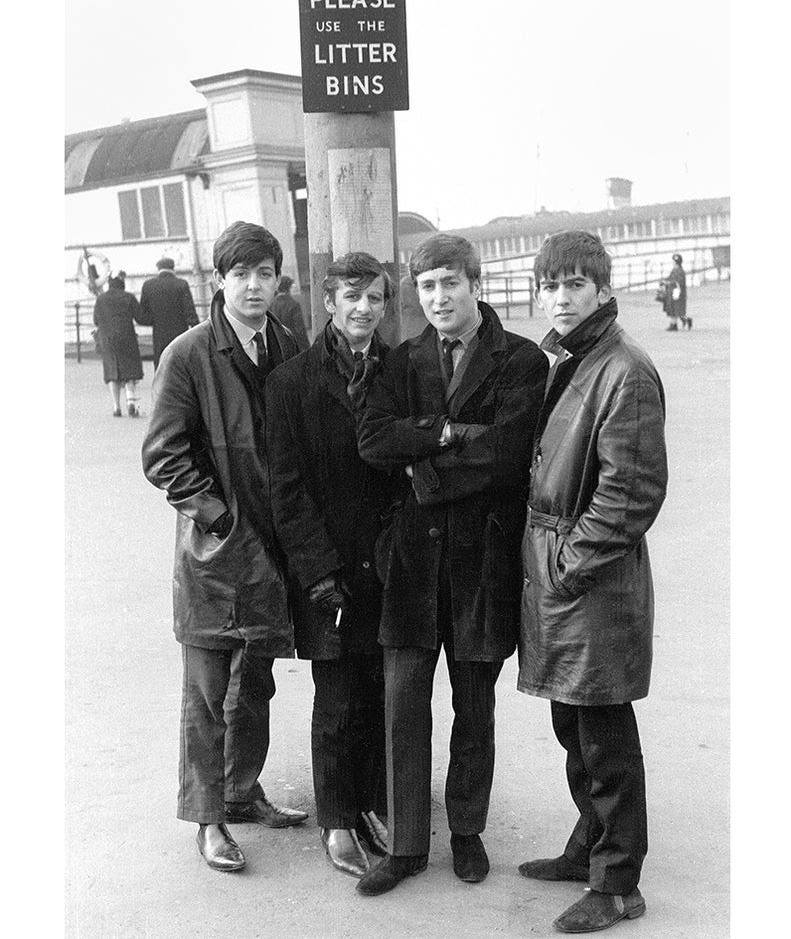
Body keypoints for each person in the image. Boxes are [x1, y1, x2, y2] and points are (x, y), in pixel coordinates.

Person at [354, 233, 548, 896]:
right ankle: (406, 845)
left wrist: (424, 468)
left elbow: (506, 455)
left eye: (449, 283)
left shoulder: (520, 361)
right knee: (403, 705)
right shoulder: (402, 360)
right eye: (427, 285)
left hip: (481, 562)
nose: (438, 297)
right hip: (410, 563)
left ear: (476, 282)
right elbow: (373, 439)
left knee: (474, 708)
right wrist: (445, 433)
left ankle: (466, 831)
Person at [141, 221, 308, 875]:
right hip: (215, 555)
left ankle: (242, 791)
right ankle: (208, 818)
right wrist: (217, 516)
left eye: (264, 273)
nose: (253, 285)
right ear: (220, 281)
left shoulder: (288, 345)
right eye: (240, 274)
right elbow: (163, 455)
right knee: (208, 690)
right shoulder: (187, 354)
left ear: (276, 279)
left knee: (255, 683)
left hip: (272, 550)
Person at [517, 230, 667, 933]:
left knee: (602, 732)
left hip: (590, 583)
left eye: (575, 284)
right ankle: (588, 847)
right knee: (571, 723)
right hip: (563, 579)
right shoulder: (573, 357)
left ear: (602, 291)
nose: (559, 296)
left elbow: (630, 493)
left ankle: (616, 883)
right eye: (550, 284)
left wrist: (565, 565)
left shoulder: (622, 369)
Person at [266, 252, 395, 878]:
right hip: (330, 573)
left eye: (374, 297)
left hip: (391, 566)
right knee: (337, 698)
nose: (363, 308)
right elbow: (285, 490)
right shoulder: (290, 383)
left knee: (379, 691)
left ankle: (371, 802)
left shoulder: (400, 372)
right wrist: (318, 575)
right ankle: (337, 820)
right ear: (328, 302)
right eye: (351, 296)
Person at [93, 272, 145, 417]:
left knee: (112, 373)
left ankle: (116, 407)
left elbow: (96, 320)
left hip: (108, 341)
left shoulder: (101, 299)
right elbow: (140, 317)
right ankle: (130, 402)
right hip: (127, 338)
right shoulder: (128, 297)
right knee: (129, 372)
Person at [138, 257, 199, 366]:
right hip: (180, 332)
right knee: (181, 365)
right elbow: (190, 312)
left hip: (159, 333)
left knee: (162, 364)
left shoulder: (148, 285)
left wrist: (155, 320)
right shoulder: (181, 284)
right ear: (173, 268)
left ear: (158, 269)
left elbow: (143, 316)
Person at [269, 275, 311, 350]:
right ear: (289, 288)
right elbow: (300, 329)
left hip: (276, 346)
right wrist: (307, 348)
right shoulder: (294, 305)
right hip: (292, 345)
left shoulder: (271, 305)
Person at [662, 253, 691, 331]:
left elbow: (679, 282)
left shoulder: (680, 271)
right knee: (674, 309)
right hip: (673, 292)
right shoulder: (676, 270)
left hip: (677, 293)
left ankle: (675, 324)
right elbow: (670, 278)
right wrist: (665, 280)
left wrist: (668, 282)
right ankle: (674, 324)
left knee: (677, 310)